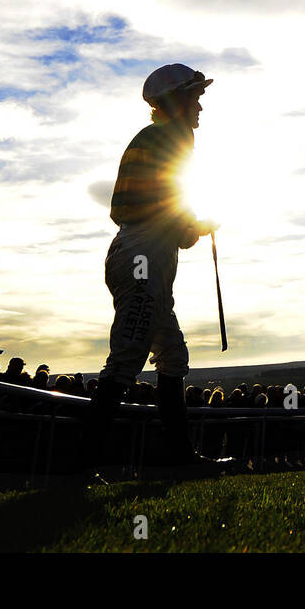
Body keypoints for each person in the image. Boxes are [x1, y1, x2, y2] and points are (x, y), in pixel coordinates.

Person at [84, 63, 231, 476]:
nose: (200, 105)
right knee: (128, 357)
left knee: (171, 354)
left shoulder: (167, 139)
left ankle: (179, 459)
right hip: (143, 255)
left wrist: (192, 224)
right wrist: (194, 224)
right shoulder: (165, 140)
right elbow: (146, 215)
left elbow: (172, 222)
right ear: (175, 101)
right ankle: (81, 465)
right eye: (195, 96)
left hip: (145, 253)